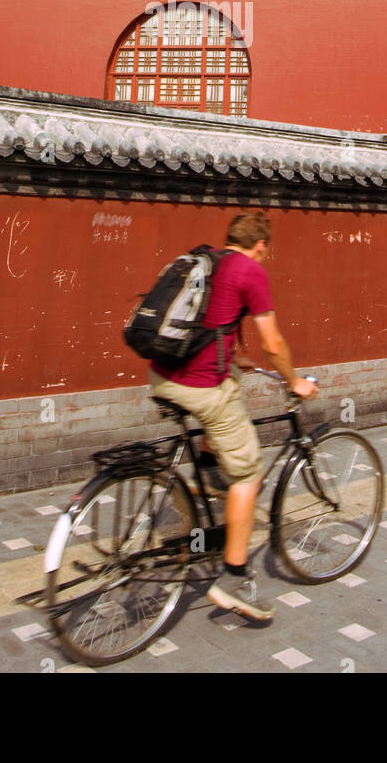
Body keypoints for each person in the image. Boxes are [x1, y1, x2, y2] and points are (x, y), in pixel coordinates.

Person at [148, 212, 317, 621]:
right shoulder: (251, 270)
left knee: (231, 388)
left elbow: (210, 318)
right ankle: (235, 578)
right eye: (266, 249)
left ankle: (207, 473)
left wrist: (235, 355)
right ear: (261, 245)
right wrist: (294, 381)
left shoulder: (206, 261)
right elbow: (274, 344)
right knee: (249, 475)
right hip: (200, 384)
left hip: (162, 374)